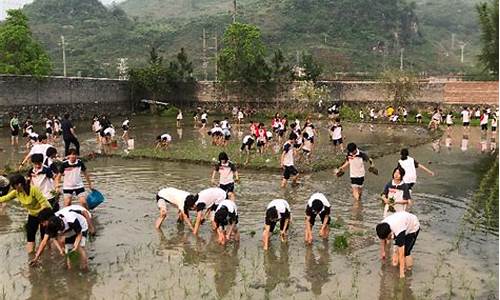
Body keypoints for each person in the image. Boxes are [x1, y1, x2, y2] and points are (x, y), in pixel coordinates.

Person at [0, 174, 52, 253]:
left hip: (45, 214)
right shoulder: (16, 192)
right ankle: (30, 256)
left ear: (19, 184)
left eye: (13, 186)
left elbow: (44, 204)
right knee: (30, 235)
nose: (12, 188)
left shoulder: (33, 190)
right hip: (33, 214)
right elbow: (5, 198)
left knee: (44, 236)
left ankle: (48, 255)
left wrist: (39, 216)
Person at [376, 211, 420, 278]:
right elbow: (382, 238)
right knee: (396, 251)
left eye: (387, 237)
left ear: (390, 233)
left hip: (413, 227)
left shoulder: (399, 232)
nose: (387, 239)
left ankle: (408, 271)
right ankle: (397, 269)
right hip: (403, 221)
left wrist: (401, 274)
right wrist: (383, 252)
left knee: (406, 253)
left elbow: (402, 255)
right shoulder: (382, 225)